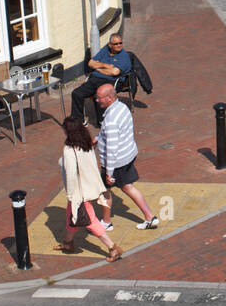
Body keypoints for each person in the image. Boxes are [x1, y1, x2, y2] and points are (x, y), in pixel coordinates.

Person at [96, 82, 159, 231]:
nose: (96, 100)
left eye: (99, 98)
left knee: (105, 191)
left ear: (109, 98)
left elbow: (112, 147)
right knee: (127, 186)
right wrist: (98, 138)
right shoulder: (122, 107)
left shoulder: (111, 119)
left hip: (115, 162)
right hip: (127, 155)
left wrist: (109, 172)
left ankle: (106, 222)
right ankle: (150, 217)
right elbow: (116, 133)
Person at [57, 117, 122, 261]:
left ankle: (112, 248)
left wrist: (71, 194)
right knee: (71, 215)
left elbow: (71, 174)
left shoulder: (69, 149)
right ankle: (67, 242)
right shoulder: (86, 143)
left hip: (79, 192)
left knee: (90, 221)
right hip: (91, 186)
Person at [72, 33, 131, 126]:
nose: (119, 45)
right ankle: (79, 120)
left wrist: (98, 68)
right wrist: (105, 66)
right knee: (76, 93)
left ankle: (102, 121)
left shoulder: (124, 56)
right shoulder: (105, 50)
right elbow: (91, 63)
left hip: (112, 81)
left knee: (98, 96)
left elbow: (115, 72)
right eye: (116, 44)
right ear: (110, 45)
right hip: (95, 79)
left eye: (120, 43)